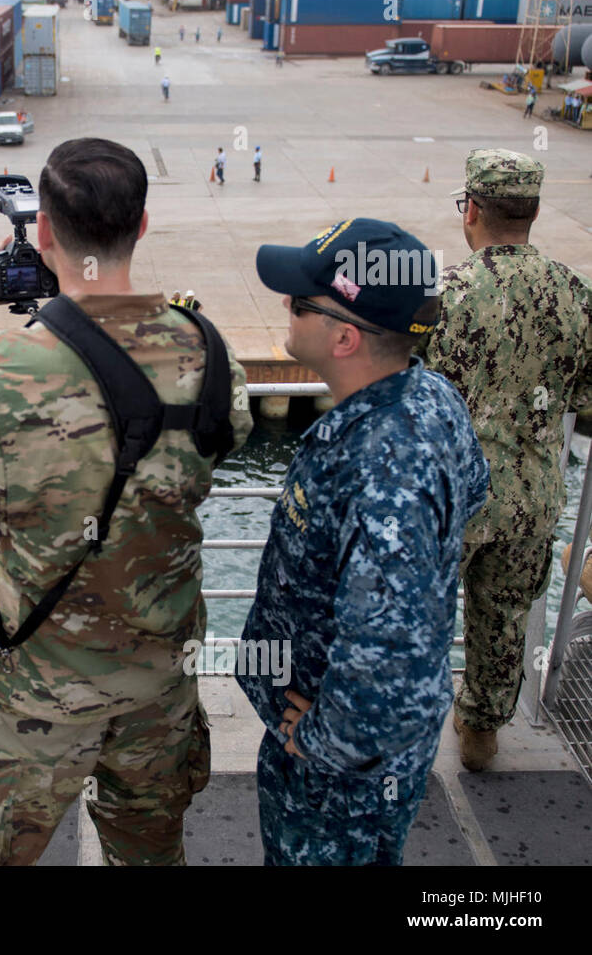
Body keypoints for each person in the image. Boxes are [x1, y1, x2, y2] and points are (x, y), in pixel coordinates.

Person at [0, 138, 253, 864]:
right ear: (142, 225)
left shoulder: (2, 367)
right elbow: (226, 435)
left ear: (43, 231)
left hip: (26, 697)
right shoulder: (208, 350)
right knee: (150, 856)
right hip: (158, 689)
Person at [239, 218, 488, 865]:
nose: (286, 304)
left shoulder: (383, 464)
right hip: (356, 748)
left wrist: (321, 741)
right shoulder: (430, 393)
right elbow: (475, 491)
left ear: (344, 337)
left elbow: (393, 657)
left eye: (300, 301)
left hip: (339, 777)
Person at [421, 149, 592, 771]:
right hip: (532, 499)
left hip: (451, 498)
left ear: (470, 210)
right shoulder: (577, 295)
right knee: (505, 618)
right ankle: (481, 733)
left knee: (421, 614)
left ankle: (408, 724)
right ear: (535, 212)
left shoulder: (443, 295)